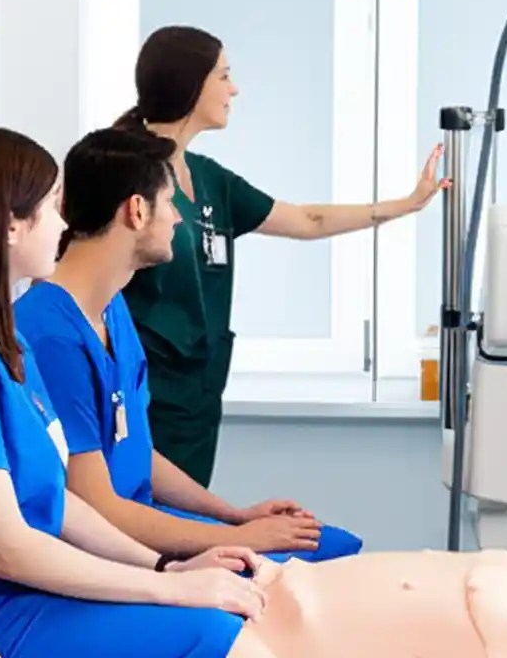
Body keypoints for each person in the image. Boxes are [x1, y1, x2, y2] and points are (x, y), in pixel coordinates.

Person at [0, 125, 269, 657]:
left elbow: (56, 502)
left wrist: (164, 565)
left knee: (242, 610)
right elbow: (4, 548)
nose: (64, 222)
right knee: (223, 632)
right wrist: (170, 586)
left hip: (30, 581)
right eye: (52, 206)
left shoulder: (1, 336)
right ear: (9, 226)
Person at [116, 25, 448, 486]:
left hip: (197, 396)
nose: (234, 89)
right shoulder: (121, 171)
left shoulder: (210, 180)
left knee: (187, 529)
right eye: (224, 76)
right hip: (141, 391)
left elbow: (307, 221)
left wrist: (405, 205)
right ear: (190, 83)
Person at [15, 127, 361, 562]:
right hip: (115, 547)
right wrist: (244, 540)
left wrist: (236, 516)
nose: (179, 219)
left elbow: (136, 449)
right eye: (172, 203)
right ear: (137, 210)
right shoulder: (48, 336)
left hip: (145, 517)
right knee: (305, 568)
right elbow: (98, 510)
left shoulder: (112, 309)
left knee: (336, 545)